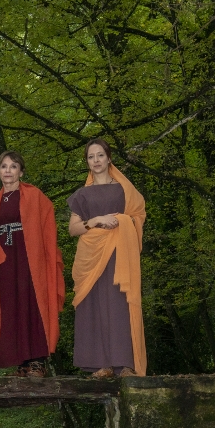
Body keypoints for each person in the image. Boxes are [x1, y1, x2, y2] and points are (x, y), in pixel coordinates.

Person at [68, 138, 146, 377]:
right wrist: (95, 221)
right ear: (87, 162)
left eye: (100, 155)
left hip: (119, 254)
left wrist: (122, 220)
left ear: (109, 158)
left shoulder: (124, 190)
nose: (96, 161)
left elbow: (138, 216)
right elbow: (73, 229)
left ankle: (125, 365)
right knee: (95, 305)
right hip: (91, 257)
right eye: (91, 157)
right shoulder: (82, 194)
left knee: (119, 305)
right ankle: (102, 365)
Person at [0, 151, 65, 376]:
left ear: (21, 171)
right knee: (12, 307)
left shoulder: (35, 196)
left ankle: (38, 361)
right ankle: (22, 362)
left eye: (13, 166)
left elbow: (47, 229)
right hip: (5, 261)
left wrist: (45, 257)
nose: (8, 170)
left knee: (32, 303)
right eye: (4, 166)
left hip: (30, 258)